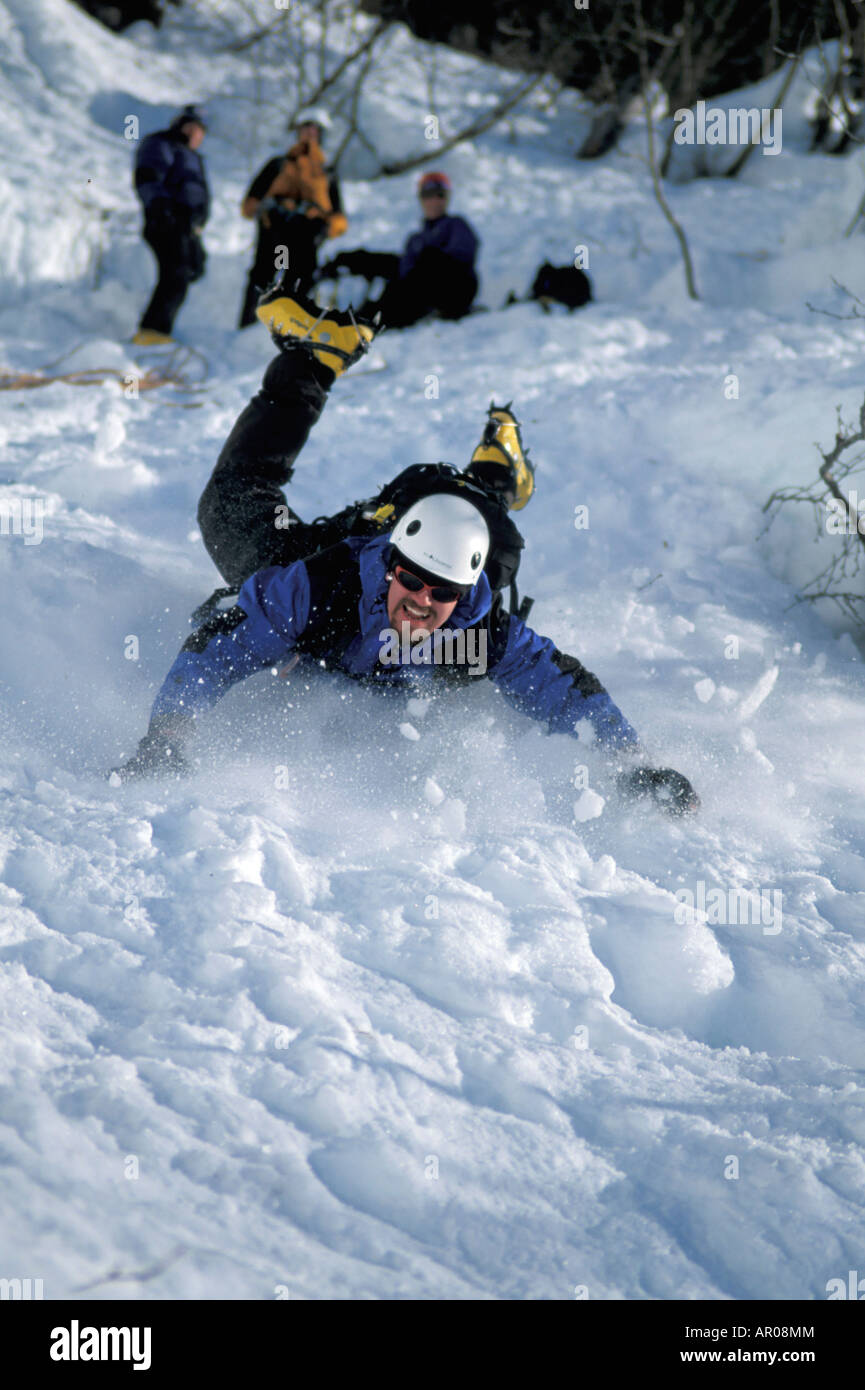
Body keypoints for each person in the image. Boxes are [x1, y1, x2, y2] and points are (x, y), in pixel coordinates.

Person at [111, 283, 699, 817]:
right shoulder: (321, 585)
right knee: (231, 506)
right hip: (378, 525)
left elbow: (564, 687)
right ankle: (314, 359)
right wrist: (167, 739)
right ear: (389, 563)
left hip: (468, 527)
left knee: (479, 523)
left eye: (443, 594)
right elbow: (221, 645)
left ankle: (495, 469)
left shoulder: (478, 633)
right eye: (412, 581)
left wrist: (633, 766)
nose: (422, 602)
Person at [319, 171, 479, 329]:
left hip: (449, 288)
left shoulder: (456, 225)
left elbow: (461, 258)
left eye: (439, 194)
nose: (434, 200)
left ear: (447, 198)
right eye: (427, 194)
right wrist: (353, 259)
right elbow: (401, 266)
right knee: (384, 267)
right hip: (413, 294)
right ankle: (356, 313)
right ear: (421, 199)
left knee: (425, 262)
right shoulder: (416, 239)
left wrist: (425, 262)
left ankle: (376, 316)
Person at [237, 109, 347, 329]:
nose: (309, 134)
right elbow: (250, 203)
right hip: (275, 231)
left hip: (306, 235)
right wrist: (274, 208)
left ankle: (292, 330)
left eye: (314, 129)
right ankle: (250, 327)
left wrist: (323, 224)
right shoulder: (277, 165)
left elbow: (339, 217)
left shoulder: (327, 173)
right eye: (305, 128)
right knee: (264, 277)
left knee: (299, 281)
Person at [132, 104, 209, 345]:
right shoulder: (162, 144)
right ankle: (151, 331)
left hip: (187, 226)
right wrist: (160, 206)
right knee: (175, 274)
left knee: (189, 271)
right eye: (194, 129)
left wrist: (198, 219)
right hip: (165, 219)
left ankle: (157, 329)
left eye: (201, 132)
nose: (197, 136)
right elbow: (148, 175)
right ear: (184, 126)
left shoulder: (193, 157)